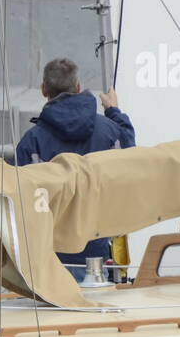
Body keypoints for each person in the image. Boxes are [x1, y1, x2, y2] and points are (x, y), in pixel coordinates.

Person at [15, 58, 136, 283]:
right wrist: (114, 111)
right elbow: (131, 158)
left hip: (51, 258)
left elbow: (23, 203)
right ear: (78, 87)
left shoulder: (31, 142)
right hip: (100, 250)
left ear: (43, 90)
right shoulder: (111, 131)